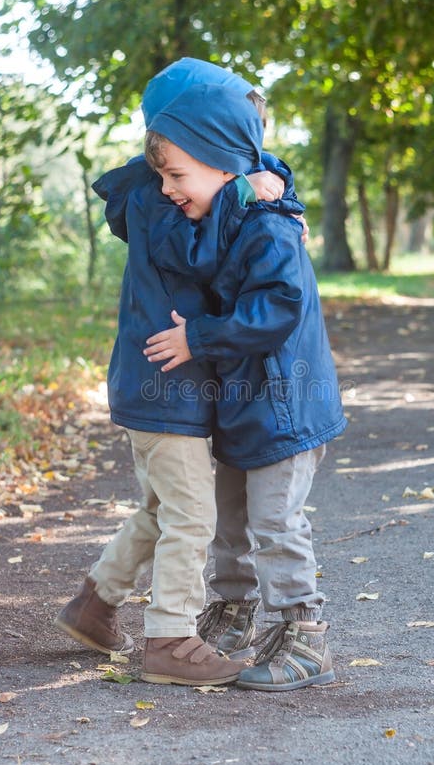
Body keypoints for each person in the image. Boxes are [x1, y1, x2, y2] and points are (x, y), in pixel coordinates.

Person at [54, 59, 286, 686]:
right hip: (165, 388)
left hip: (164, 390)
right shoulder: (162, 205)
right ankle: (171, 639)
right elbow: (206, 253)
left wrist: (260, 180)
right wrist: (247, 192)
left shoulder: (165, 186)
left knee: (160, 509)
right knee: (191, 516)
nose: (177, 186)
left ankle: (95, 604)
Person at [143, 83, 347, 691]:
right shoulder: (227, 213)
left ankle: (304, 635)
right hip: (241, 405)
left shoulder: (269, 226)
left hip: (284, 406)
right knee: (230, 521)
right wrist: (237, 184)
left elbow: (280, 306)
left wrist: (198, 339)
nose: (167, 190)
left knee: (276, 522)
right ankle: (232, 615)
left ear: (224, 164)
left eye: (177, 174)